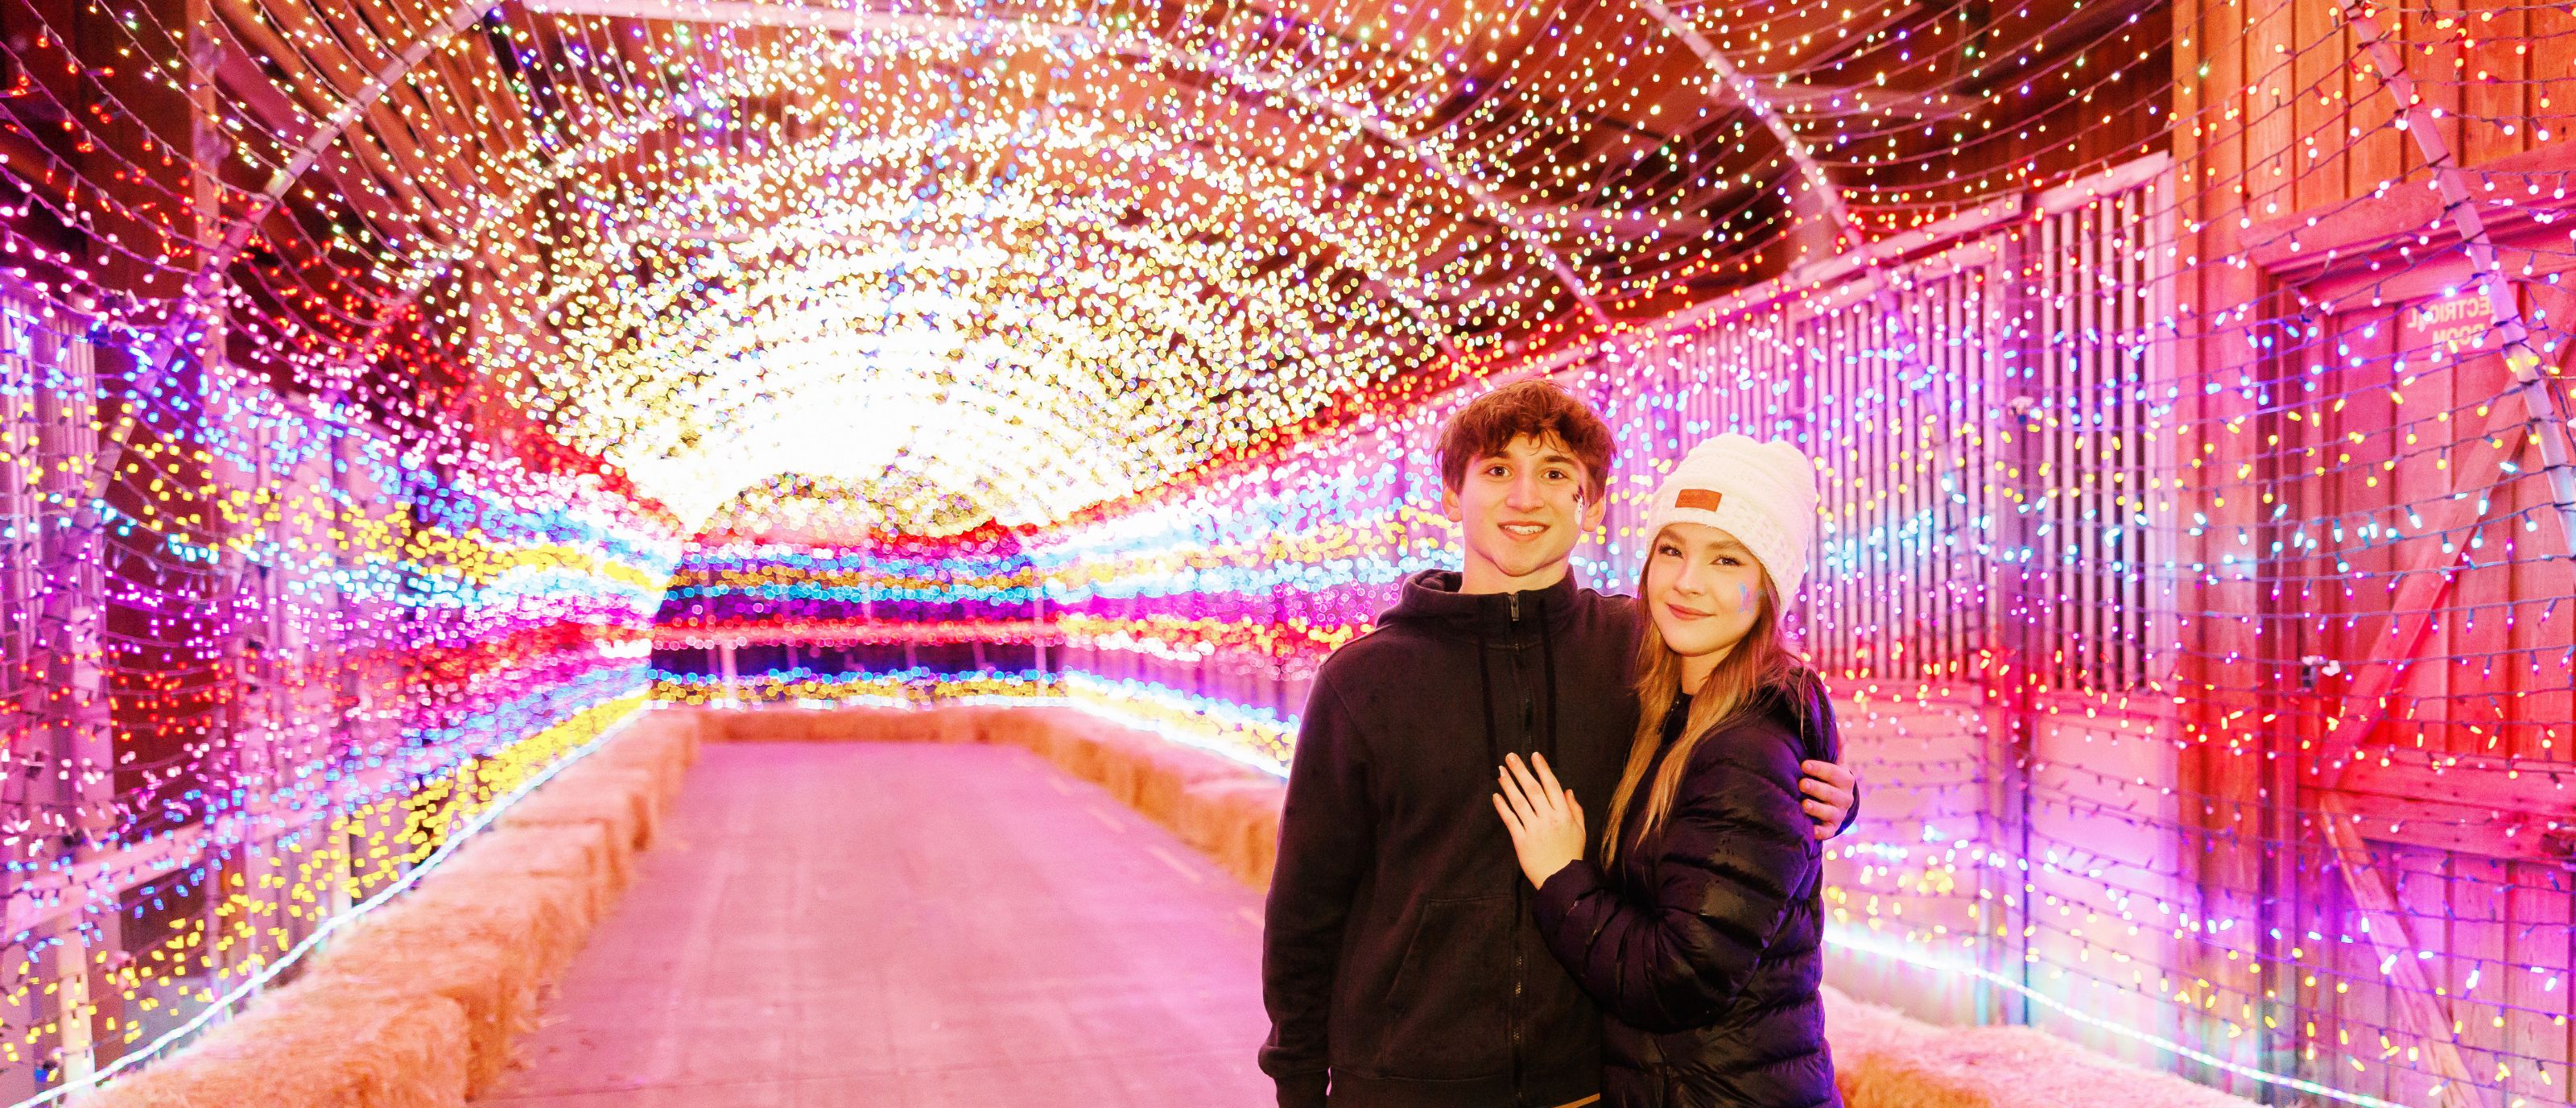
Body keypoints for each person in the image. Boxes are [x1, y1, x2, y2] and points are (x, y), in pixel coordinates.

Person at [1260, 382, 1858, 1108]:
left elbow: (1754, 723)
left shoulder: (1645, 650)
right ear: (1452, 494)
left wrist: (1828, 794)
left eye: (1554, 474)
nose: (1524, 498)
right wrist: (1297, 1079)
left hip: (1585, 1086)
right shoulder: (1364, 681)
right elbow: (1307, 905)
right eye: (1497, 470)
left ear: (1593, 506)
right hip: (1401, 1083)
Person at [1492, 434, 1843, 1108]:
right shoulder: (1674, 703)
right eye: (1672, 550)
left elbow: (1678, 980)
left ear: (1769, 588)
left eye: (1726, 558)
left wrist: (1561, 877)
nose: (1687, 582)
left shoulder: (1744, 746)